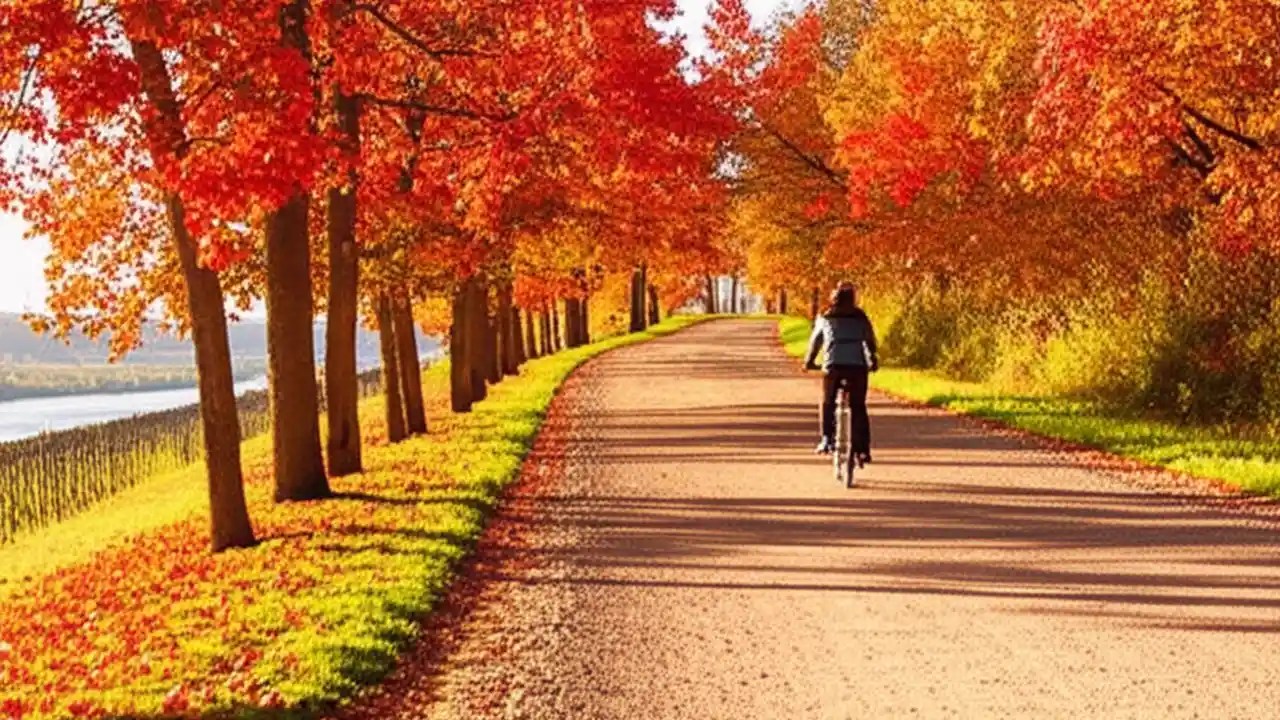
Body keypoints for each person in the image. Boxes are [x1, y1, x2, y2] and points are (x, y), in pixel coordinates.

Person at [803, 281, 879, 462]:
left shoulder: (825, 317)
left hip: (833, 366)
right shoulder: (861, 317)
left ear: (833, 299)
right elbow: (869, 341)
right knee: (858, 406)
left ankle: (826, 439)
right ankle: (862, 450)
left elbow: (816, 343)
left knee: (828, 401)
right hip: (857, 368)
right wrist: (873, 360)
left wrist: (810, 362)